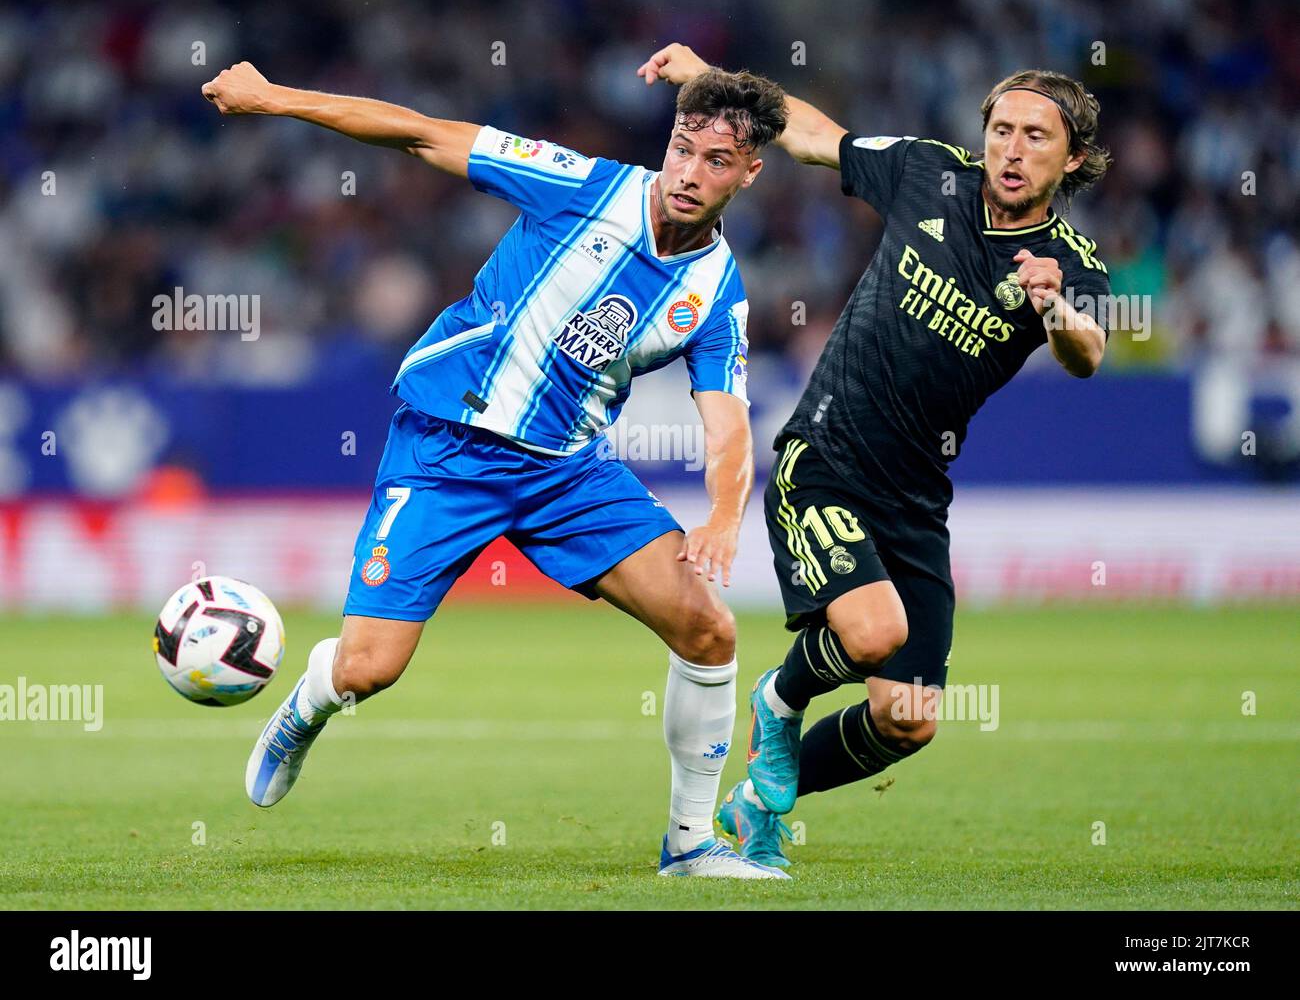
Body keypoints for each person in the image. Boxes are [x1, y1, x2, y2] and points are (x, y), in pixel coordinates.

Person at [201, 59, 790, 878]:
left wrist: (725, 516)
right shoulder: (580, 185)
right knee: (371, 668)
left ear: (750, 172)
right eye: (683, 149)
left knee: (709, 627)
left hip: (567, 474)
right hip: (448, 446)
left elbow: (728, 427)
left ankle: (690, 846)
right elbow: (421, 132)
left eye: (717, 161)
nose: (691, 173)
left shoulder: (716, 292)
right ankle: (311, 700)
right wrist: (272, 99)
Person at [639, 44, 1111, 869]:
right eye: (1002, 128)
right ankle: (780, 701)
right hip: (825, 455)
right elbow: (815, 133)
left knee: (909, 716)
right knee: (871, 628)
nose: (1011, 147)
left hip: (916, 497)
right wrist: (709, 77)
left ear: (1071, 159)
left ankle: (755, 806)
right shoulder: (930, 173)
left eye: (1036, 137)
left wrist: (1056, 306)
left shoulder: (1072, 267)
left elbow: (1088, 352)